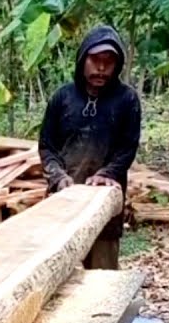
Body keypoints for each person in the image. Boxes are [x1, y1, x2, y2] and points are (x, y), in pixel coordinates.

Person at [38, 25, 142, 200]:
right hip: (64, 192)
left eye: (108, 61)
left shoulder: (127, 99)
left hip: (106, 191)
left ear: (117, 65)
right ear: (82, 59)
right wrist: (58, 176)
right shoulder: (62, 97)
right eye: (95, 60)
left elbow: (127, 148)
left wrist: (108, 174)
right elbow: (47, 146)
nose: (101, 68)